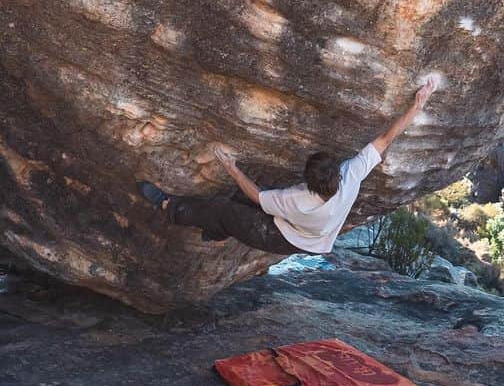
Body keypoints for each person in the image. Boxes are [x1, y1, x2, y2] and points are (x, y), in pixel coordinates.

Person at [138, 77, 439, 255]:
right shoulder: (350, 179)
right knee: (242, 198)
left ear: (308, 182)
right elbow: (385, 140)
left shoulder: (297, 199)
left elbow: (258, 197)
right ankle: (217, 232)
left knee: (225, 209)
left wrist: (231, 168)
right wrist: (417, 105)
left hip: (282, 237)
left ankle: (170, 207)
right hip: (316, 239)